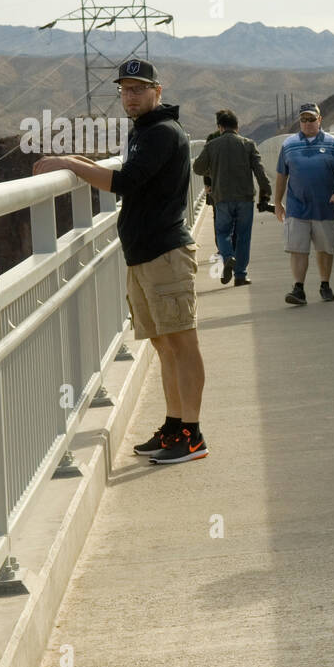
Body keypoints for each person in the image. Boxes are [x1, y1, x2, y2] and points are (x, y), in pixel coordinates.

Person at [31, 58, 208, 464]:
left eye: (139, 89)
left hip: (165, 253)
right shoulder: (145, 131)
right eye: (125, 90)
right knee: (164, 346)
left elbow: (124, 183)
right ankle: (174, 425)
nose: (130, 96)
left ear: (157, 92)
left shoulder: (162, 132)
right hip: (145, 254)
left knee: (183, 342)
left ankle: (193, 436)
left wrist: (70, 162)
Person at [273, 103, 334, 305]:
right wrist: (278, 202)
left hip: (325, 207)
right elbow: (282, 175)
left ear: (319, 119)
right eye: (303, 120)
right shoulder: (289, 144)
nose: (307, 123)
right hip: (297, 207)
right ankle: (298, 288)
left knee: (325, 249)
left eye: (311, 119)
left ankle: (325, 284)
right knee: (298, 249)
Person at [192, 109, 272, 286]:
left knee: (222, 232)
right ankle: (241, 275)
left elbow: (197, 168)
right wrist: (265, 193)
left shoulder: (212, 145)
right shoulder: (248, 144)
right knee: (243, 236)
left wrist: (213, 171)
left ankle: (228, 256)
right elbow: (260, 172)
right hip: (245, 198)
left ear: (220, 127)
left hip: (222, 197)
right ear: (237, 126)